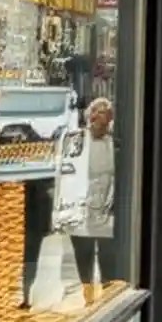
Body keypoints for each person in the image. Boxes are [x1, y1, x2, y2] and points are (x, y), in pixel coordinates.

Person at [69, 97, 120, 305]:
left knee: (108, 259)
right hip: (83, 208)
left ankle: (109, 299)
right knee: (84, 256)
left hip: (107, 210)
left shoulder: (114, 144)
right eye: (96, 114)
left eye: (105, 115)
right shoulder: (78, 141)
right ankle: (88, 297)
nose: (100, 119)